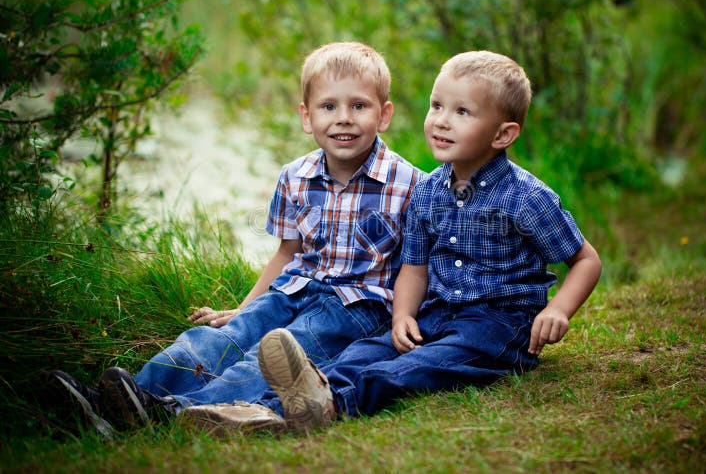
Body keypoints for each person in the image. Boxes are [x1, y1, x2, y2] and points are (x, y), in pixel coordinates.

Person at [43, 41, 423, 436]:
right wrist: (244, 309)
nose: (343, 119)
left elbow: (418, 266)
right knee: (218, 340)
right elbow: (286, 254)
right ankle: (122, 396)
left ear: (384, 115)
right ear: (307, 117)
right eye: (329, 107)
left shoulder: (411, 184)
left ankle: (175, 413)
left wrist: (404, 317)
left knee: (268, 356)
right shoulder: (295, 175)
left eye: (358, 106)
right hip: (292, 291)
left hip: (354, 310)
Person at [243, 50, 602, 430]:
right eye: (437, 106)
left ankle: (331, 404)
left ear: (503, 134)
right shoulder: (428, 191)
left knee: (414, 367)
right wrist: (402, 317)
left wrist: (557, 309)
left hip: (499, 324)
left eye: (462, 112)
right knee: (368, 350)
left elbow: (585, 260)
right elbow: (414, 269)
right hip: (436, 313)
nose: (442, 122)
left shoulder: (525, 197)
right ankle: (262, 407)